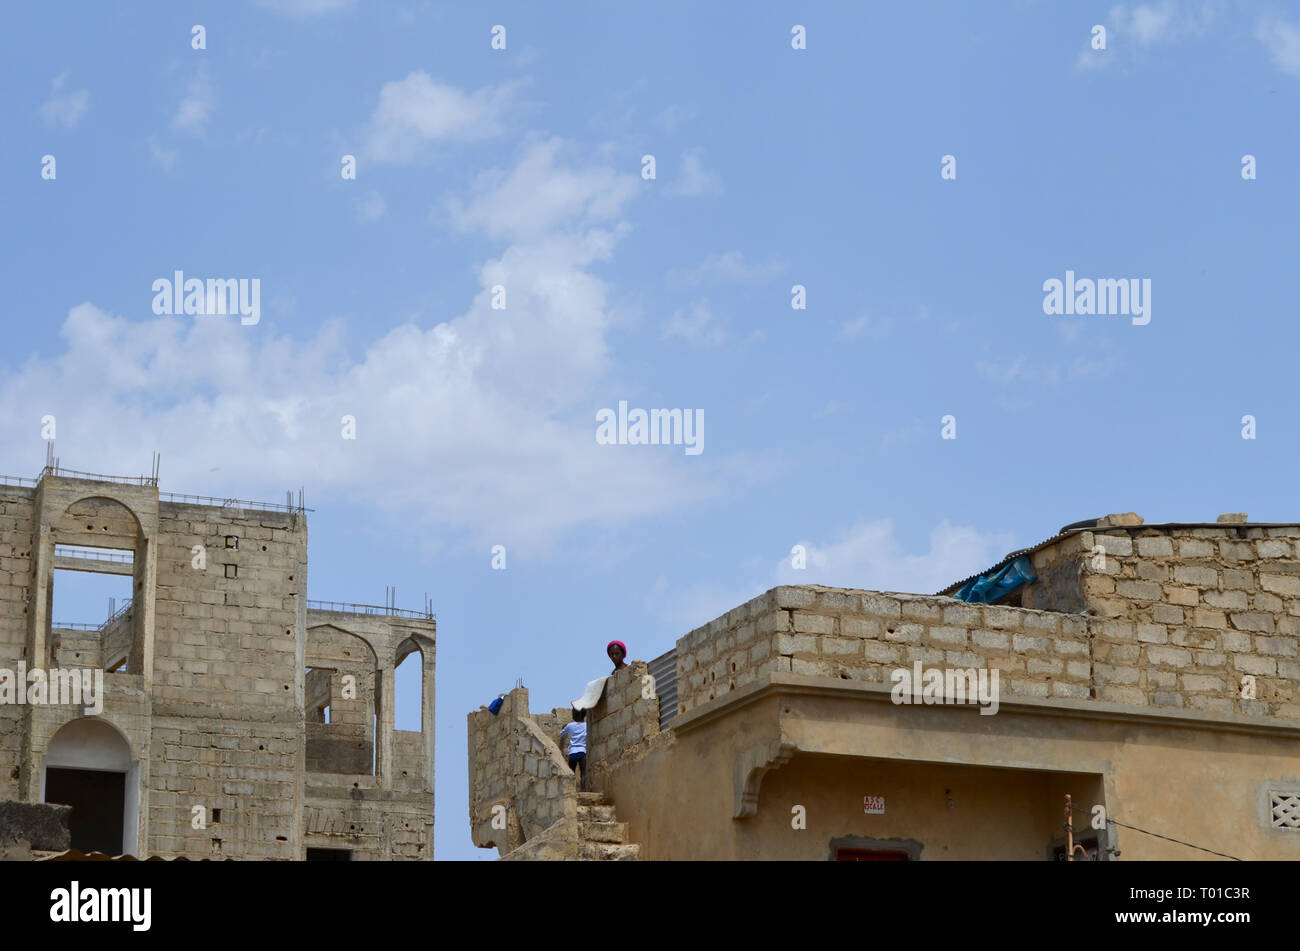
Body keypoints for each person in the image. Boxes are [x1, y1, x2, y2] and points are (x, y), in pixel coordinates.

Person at [560, 707, 587, 791]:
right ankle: (583, 790)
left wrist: (564, 727)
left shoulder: (570, 725)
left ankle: (571, 790)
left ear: (574, 715)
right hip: (583, 752)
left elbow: (562, 734)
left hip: (572, 752)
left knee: (571, 773)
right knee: (583, 773)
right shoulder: (587, 725)